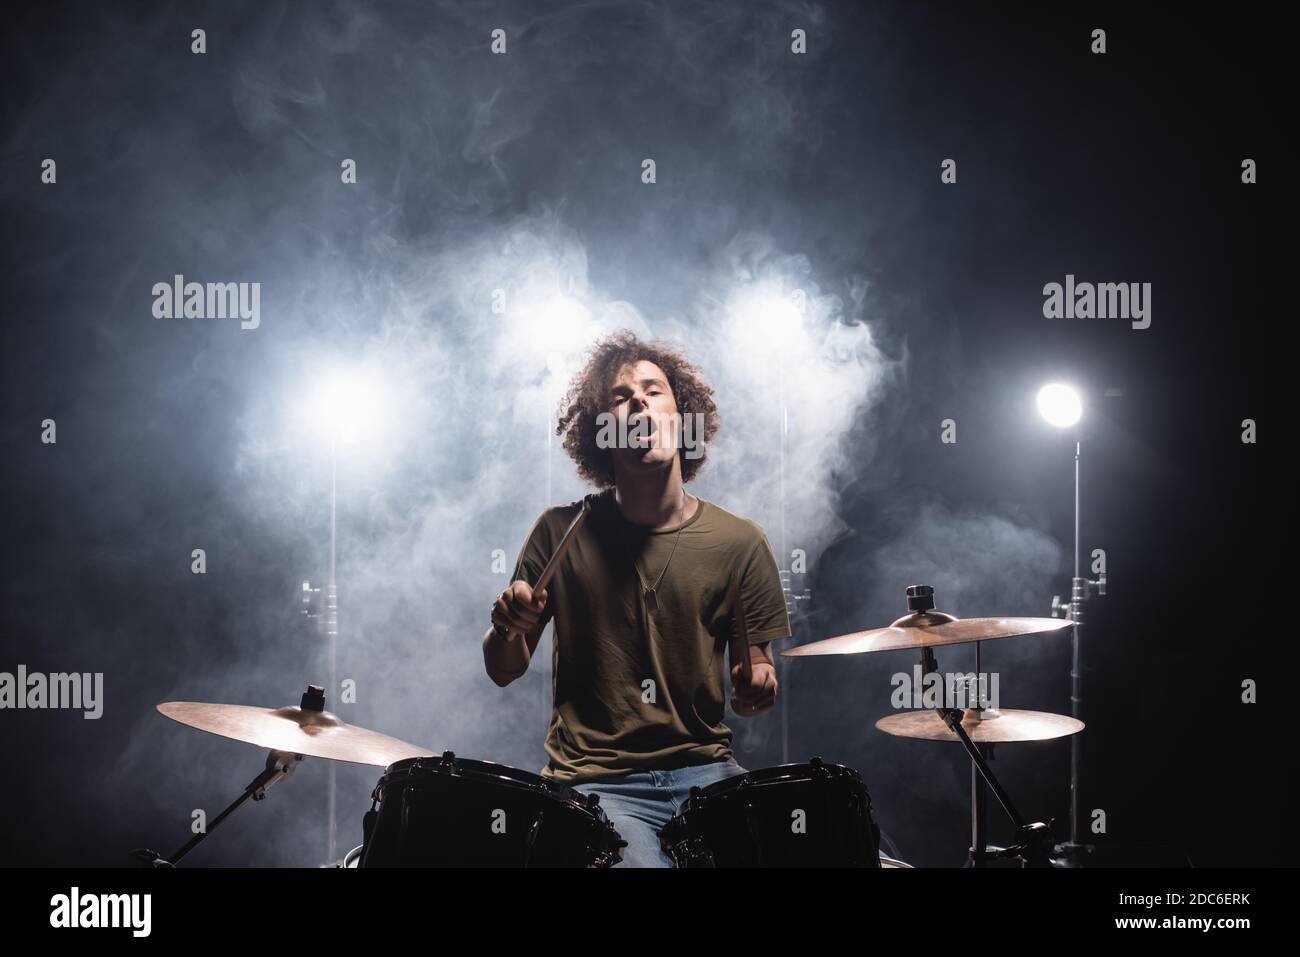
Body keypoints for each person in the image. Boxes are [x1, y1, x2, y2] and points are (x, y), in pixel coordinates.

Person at [483, 330, 792, 866]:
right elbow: (503, 668)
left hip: (708, 776)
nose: (638, 404)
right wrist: (508, 625)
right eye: (620, 398)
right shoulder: (561, 531)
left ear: (683, 413)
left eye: (653, 390)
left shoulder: (741, 542)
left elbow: (754, 676)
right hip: (598, 784)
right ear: (601, 432)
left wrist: (757, 685)